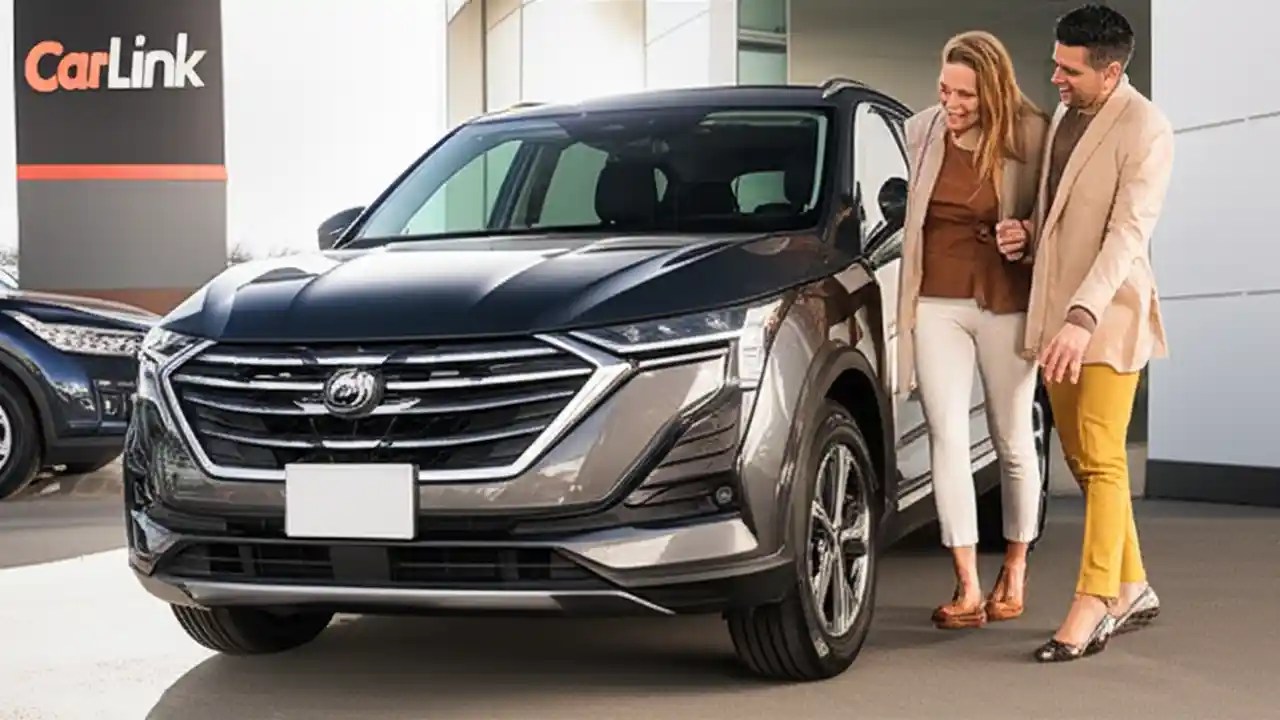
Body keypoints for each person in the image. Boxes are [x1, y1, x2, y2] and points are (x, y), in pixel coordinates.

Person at [998, 4, 1173, 662]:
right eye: (1057, 63)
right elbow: (1060, 210)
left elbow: (1127, 234)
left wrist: (1082, 317)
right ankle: (1132, 584)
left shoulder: (1146, 128)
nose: (1056, 78)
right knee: (1080, 456)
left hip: (1107, 315)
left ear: (1112, 70)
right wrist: (1026, 235)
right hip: (1055, 313)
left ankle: (1095, 598)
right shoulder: (1067, 115)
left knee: (1101, 458)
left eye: (1069, 70)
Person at [897, 30, 1049, 630]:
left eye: (966, 94)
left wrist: (1027, 233)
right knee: (947, 437)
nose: (952, 103)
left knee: (1012, 438)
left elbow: (1053, 212)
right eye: (945, 89)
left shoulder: (1031, 134)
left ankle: (1015, 566)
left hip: (1005, 298)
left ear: (994, 90)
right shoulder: (921, 131)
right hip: (937, 300)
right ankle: (966, 584)